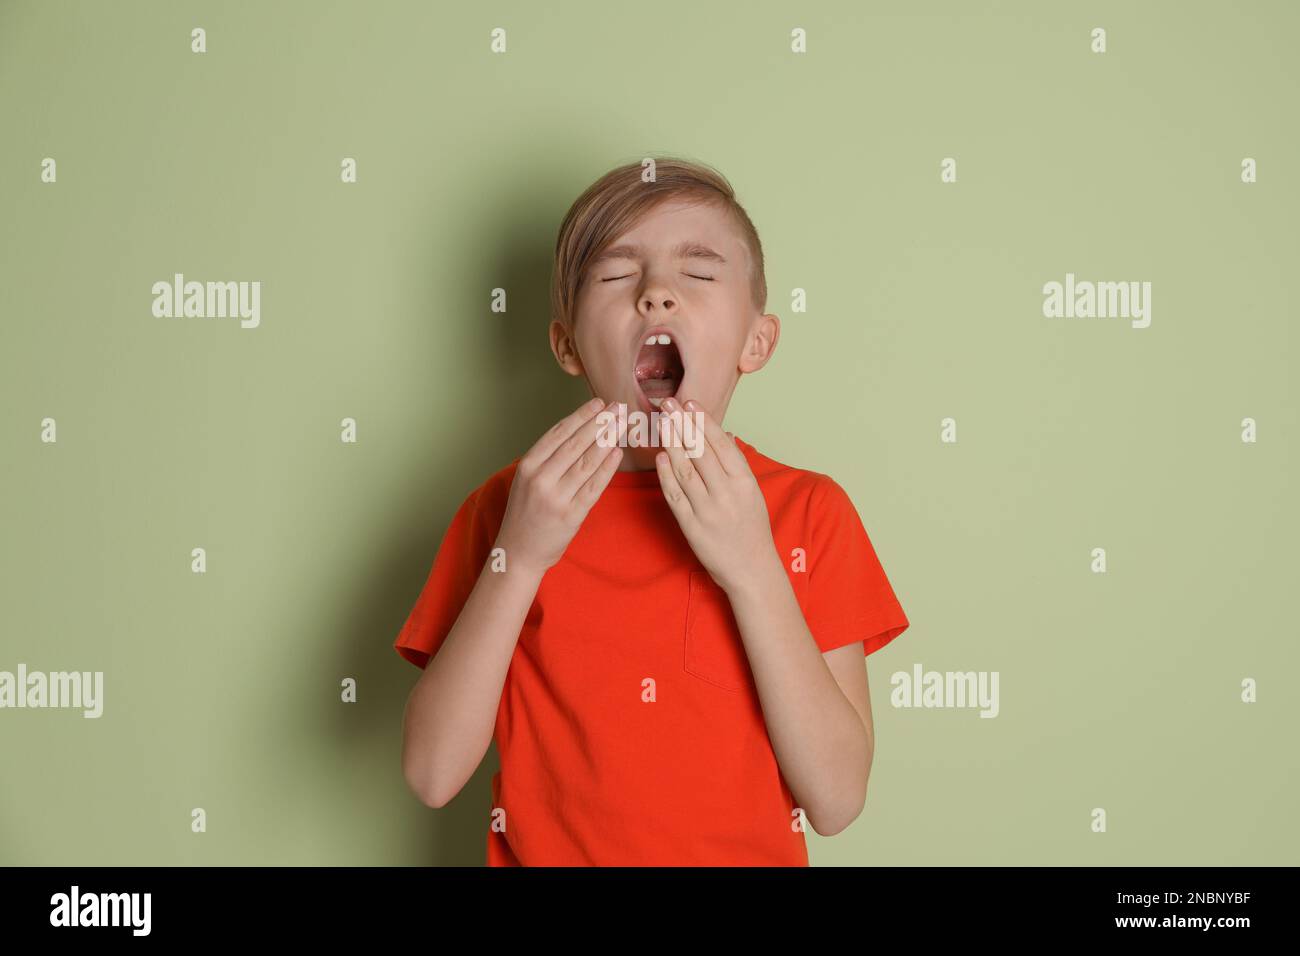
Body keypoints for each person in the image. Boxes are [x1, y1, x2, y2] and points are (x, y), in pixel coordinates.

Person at [395, 156, 910, 865]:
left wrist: (755, 569)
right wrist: (522, 556)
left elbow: (836, 799)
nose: (657, 295)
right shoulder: (504, 510)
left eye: (698, 274)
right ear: (567, 345)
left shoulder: (810, 513)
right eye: (615, 275)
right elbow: (431, 772)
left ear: (755, 342)